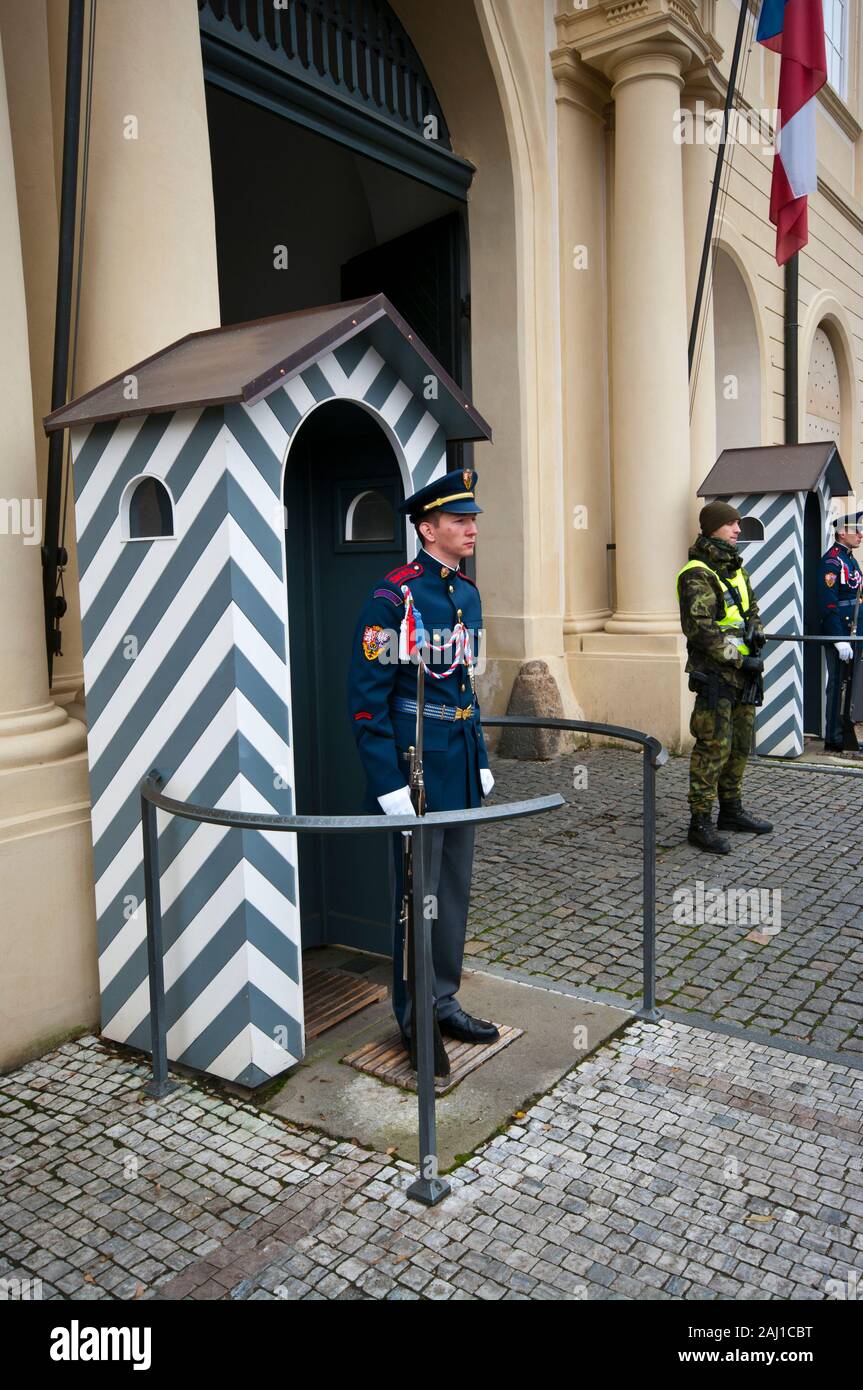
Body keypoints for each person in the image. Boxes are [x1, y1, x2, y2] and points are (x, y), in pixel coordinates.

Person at [347, 467, 499, 1050]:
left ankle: (445, 1000)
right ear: (427, 528)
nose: (471, 529)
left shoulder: (466, 592)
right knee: (417, 895)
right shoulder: (393, 596)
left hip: (456, 760)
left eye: (472, 519)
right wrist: (386, 781)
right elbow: (367, 698)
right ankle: (414, 1019)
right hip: (415, 767)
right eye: (459, 520)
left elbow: (463, 683)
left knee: (452, 888)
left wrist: (479, 754)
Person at [677, 501, 773, 854]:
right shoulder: (697, 572)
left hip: (744, 676)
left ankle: (730, 811)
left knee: (739, 746)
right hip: (717, 676)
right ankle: (699, 822)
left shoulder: (735, 569)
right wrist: (737, 659)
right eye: (731, 524)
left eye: (738, 525)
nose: (737, 530)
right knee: (712, 747)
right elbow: (699, 629)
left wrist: (756, 633)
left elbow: (752, 611)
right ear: (713, 527)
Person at [817, 512, 863, 754]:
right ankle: (834, 739)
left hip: (855, 632)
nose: (861, 534)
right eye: (856, 530)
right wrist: (838, 639)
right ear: (842, 532)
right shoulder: (832, 562)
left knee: (852, 685)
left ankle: (846, 732)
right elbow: (828, 604)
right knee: (837, 685)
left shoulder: (850, 560)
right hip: (842, 634)